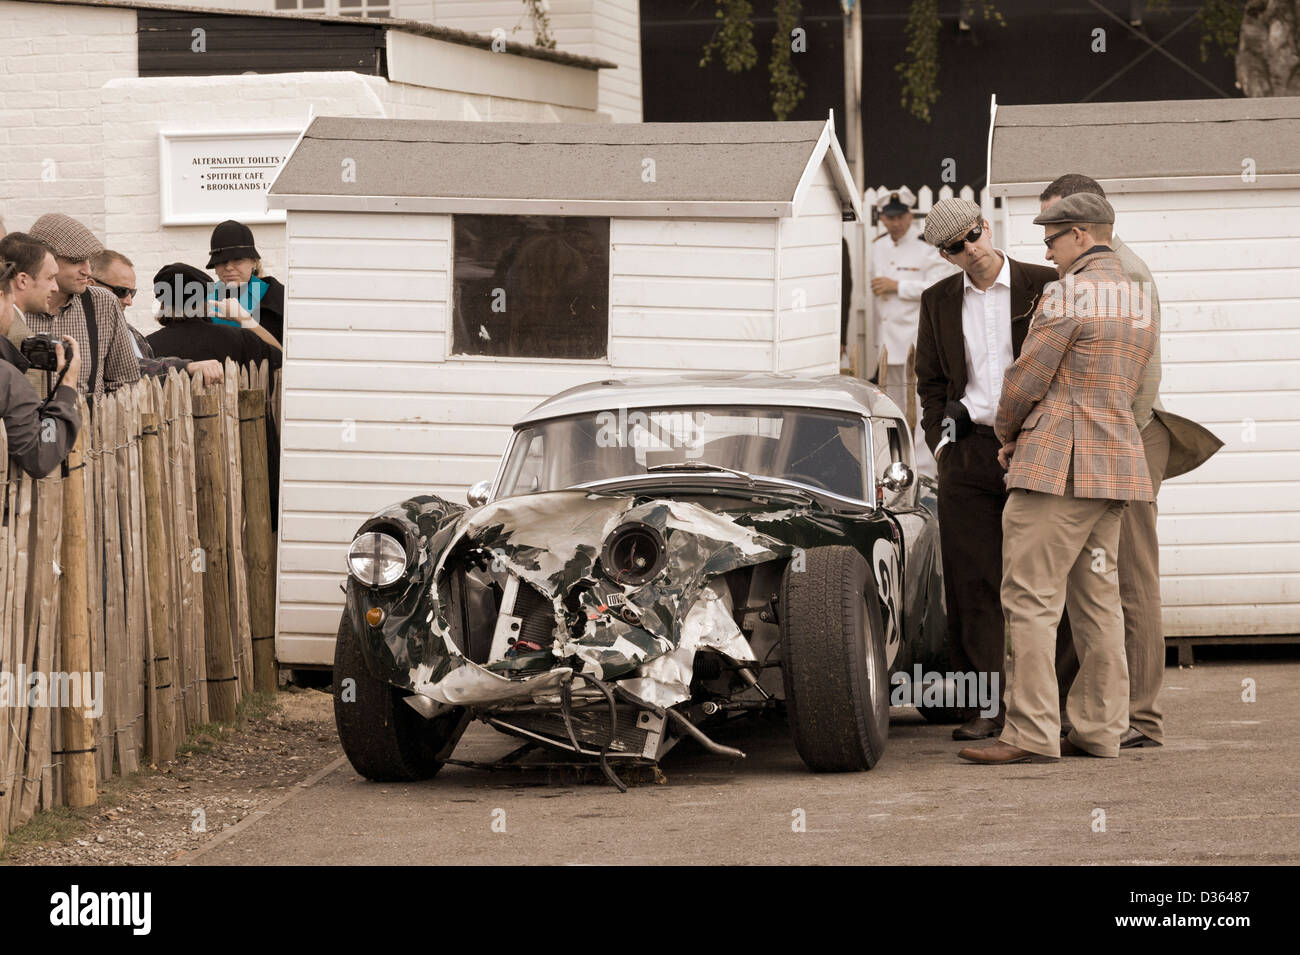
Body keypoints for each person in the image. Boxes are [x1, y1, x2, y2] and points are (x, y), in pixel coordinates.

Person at [959, 193, 1156, 764]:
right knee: (1098, 603)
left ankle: (1030, 732)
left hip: (1057, 464)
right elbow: (1139, 386)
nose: (1048, 251)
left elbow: (1025, 379)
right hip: (1116, 464)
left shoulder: (1067, 292)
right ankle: (1099, 730)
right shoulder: (1138, 298)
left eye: (1051, 240)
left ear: (1077, 235)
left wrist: (1008, 436)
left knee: (1029, 597)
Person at [1038, 175, 1222, 748]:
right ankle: (1097, 712)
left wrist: (1117, 440)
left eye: (1054, 226)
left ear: (1082, 224)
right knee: (1091, 578)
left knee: (1132, 581)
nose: (1047, 241)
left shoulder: (1125, 272)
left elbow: (1144, 374)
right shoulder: (1093, 272)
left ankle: (1141, 719)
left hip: (1132, 436)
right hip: (1113, 435)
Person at [914, 197, 1061, 742]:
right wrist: (942, 446)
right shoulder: (937, 301)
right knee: (973, 580)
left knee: (1049, 577)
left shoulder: (1046, 284)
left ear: (987, 226)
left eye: (974, 234)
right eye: (956, 246)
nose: (970, 249)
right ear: (945, 254)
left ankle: (1059, 706)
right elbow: (929, 381)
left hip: (1040, 442)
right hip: (970, 451)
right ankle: (984, 707)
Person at [869, 187, 957, 478]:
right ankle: (891, 465)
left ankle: (923, 468)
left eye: (900, 217)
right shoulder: (878, 246)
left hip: (916, 340)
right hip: (886, 341)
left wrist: (899, 286)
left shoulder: (927, 247)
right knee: (889, 404)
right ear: (881, 218)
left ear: (909, 216)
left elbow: (939, 287)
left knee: (920, 406)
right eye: (888, 217)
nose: (895, 223)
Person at [23, 214, 139, 400]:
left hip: (88, 425)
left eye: (88, 261)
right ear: (44, 260)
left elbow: (125, 382)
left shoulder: (102, 303)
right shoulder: (15, 304)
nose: (87, 270)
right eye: (75, 261)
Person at [0, 242, 81, 478]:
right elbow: (38, 448)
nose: (56, 287)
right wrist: (67, 388)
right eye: (50, 277)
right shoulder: (19, 340)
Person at [90, 249, 224, 386]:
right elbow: (129, 369)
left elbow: (147, 372)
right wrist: (186, 367)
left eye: (132, 292)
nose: (129, 301)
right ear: (92, 286)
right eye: (122, 291)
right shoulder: (84, 332)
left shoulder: (133, 334)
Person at [206, 220, 284, 345]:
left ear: (254, 262)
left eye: (237, 260)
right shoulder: (204, 299)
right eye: (222, 261)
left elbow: (284, 355)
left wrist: (243, 319)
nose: (229, 267)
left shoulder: (277, 298)